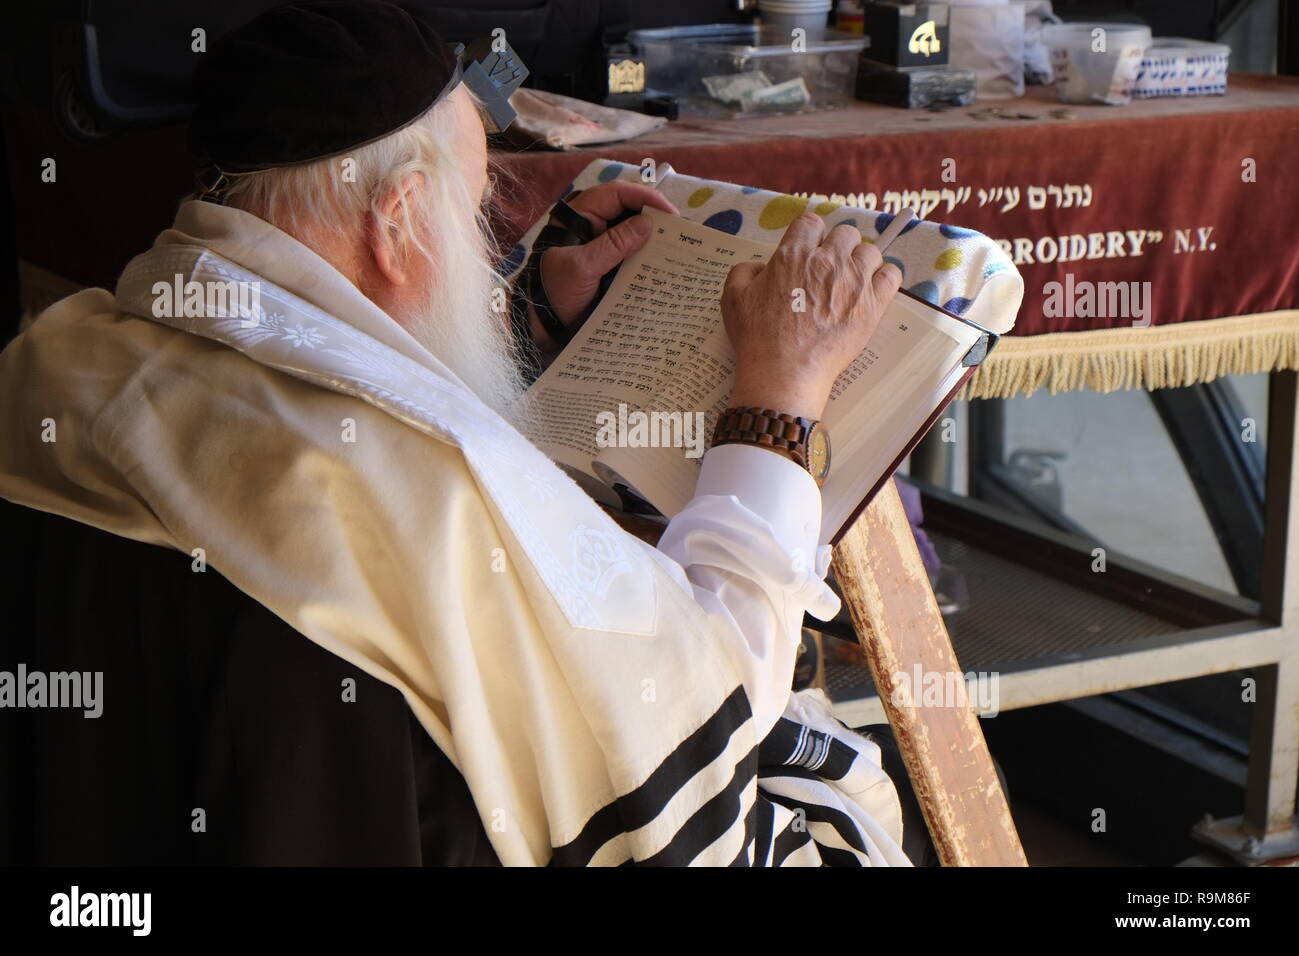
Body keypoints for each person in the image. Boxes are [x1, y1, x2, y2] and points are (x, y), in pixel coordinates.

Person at [0, 0, 908, 866]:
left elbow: (317, 364)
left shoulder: (60, 354)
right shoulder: (429, 503)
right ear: (396, 223)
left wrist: (520, 321)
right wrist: (778, 402)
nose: (488, 251)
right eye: (475, 217)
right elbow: (698, 760)